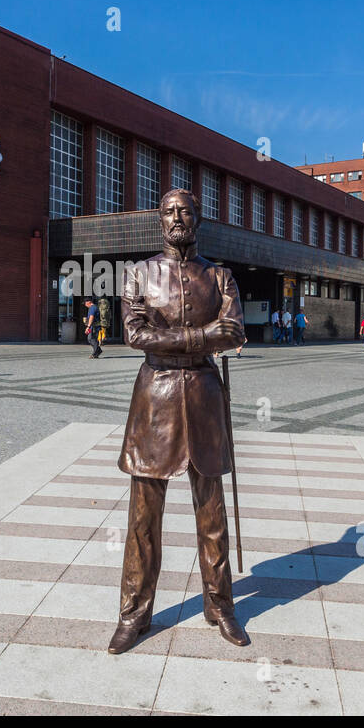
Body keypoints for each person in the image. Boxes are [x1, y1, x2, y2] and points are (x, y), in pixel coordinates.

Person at [109, 188, 249, 654]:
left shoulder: (220, 276)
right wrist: (204, 335)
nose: (176, 218)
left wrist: (192, 338)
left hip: (205, 399)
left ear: (197, 219)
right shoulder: (139, 274)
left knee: (212, 514)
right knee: (143, 519)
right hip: (155, 401)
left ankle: (220, 604)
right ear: (159, 220)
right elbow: (135, 334)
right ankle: (134, 613)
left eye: (184, 211)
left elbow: (235, 332)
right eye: (168, 212)